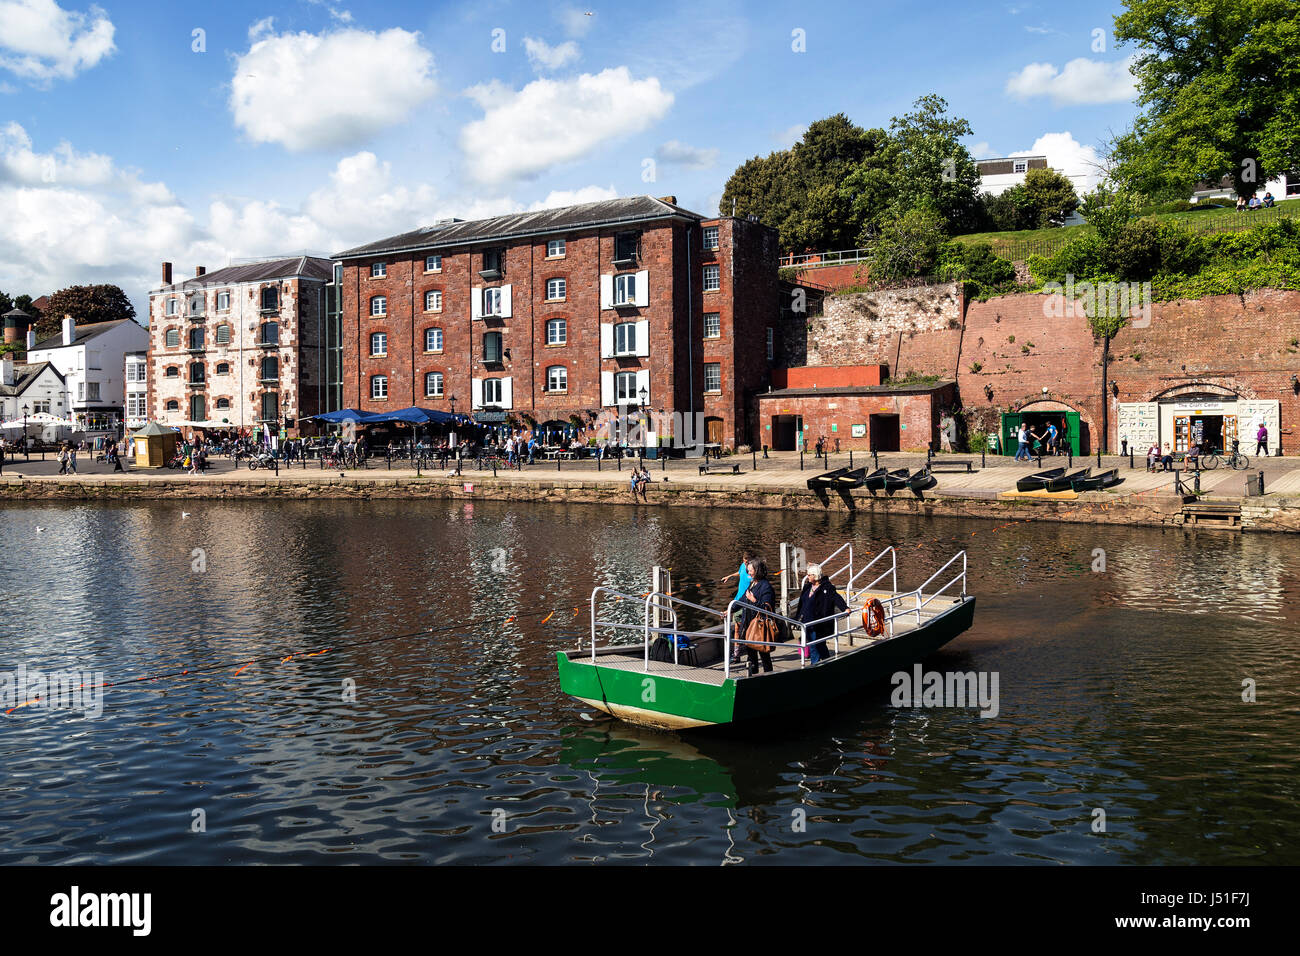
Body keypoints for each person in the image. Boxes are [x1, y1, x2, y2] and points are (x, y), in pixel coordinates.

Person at [796, 564, 846, 665]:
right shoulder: (807, 587)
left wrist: (845, 608)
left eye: (809, 575)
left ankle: (814, 665)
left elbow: (836, 598)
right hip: (806, 621)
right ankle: (827, 661)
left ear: (815, 576)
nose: (807, 576)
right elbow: (802, 604)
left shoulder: (827, 587)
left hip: (818, 622)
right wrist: (798, 618)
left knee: (814, 645)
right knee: (819, 645)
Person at [737, 559, 775, 676]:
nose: (748, 573)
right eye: (748, 571)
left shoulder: (765, 586)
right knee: (751, 654)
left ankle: (769, 676)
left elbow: (766, 607)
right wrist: (729, 610)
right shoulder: (752, 584)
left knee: (764, 654)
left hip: (759, 626)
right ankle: (753, 674)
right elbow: (742, 600)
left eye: (750, 571)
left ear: (757, 571)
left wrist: (754, 600)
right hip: (748, 624)